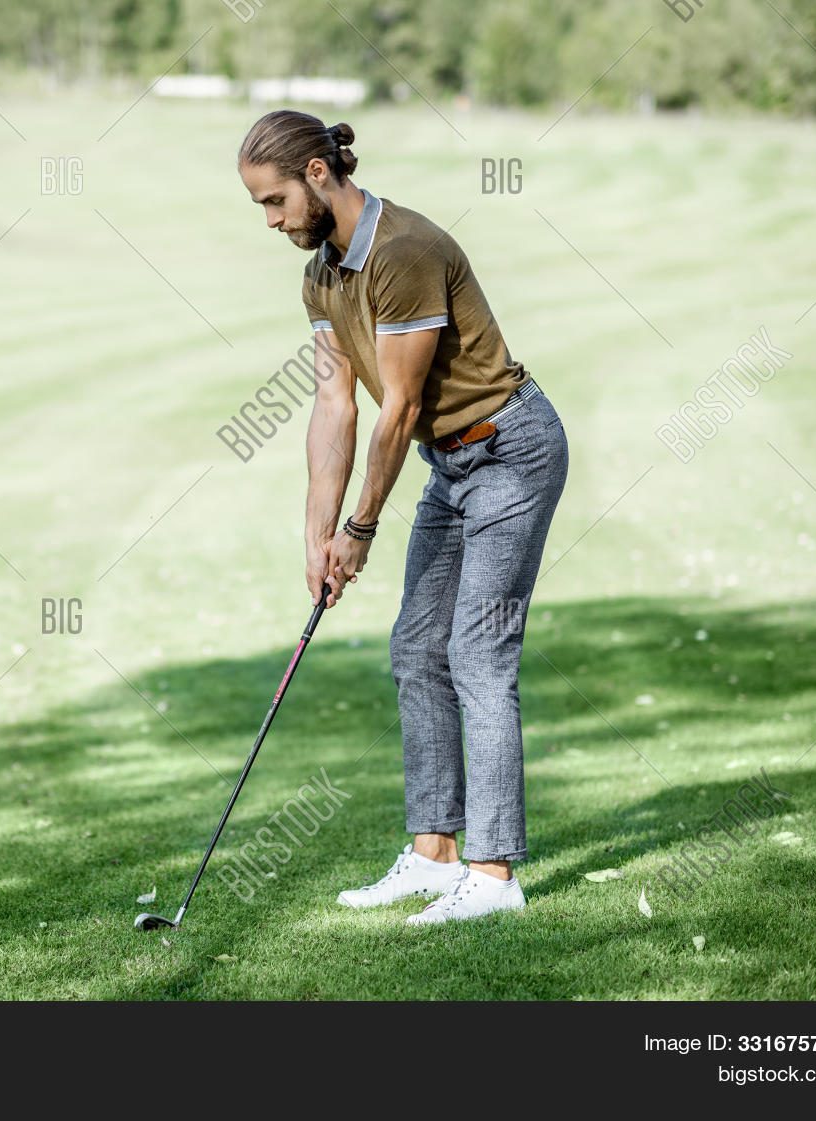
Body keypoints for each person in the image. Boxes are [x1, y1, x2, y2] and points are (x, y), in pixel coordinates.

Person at [237, 110, 568, 925]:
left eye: (275, 201)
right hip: (451, 463)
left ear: (319, 174)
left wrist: (361, 529)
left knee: (478, 653)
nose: (272, 221)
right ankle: (434, 855)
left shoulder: (405, 251)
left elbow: (402, 406)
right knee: (417, 646)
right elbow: (333, 406)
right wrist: (318, 532)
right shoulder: (321, 276)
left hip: (509, 450)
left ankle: (493, 878)